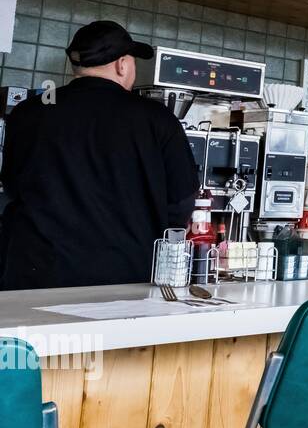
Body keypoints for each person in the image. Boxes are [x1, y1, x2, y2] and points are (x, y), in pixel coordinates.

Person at [0, 21, 199, 289]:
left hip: (34, 273)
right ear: (122, 65)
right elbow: (182, 200)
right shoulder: (157, 118)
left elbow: (12, 184)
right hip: (124, 277)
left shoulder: (28, 112)